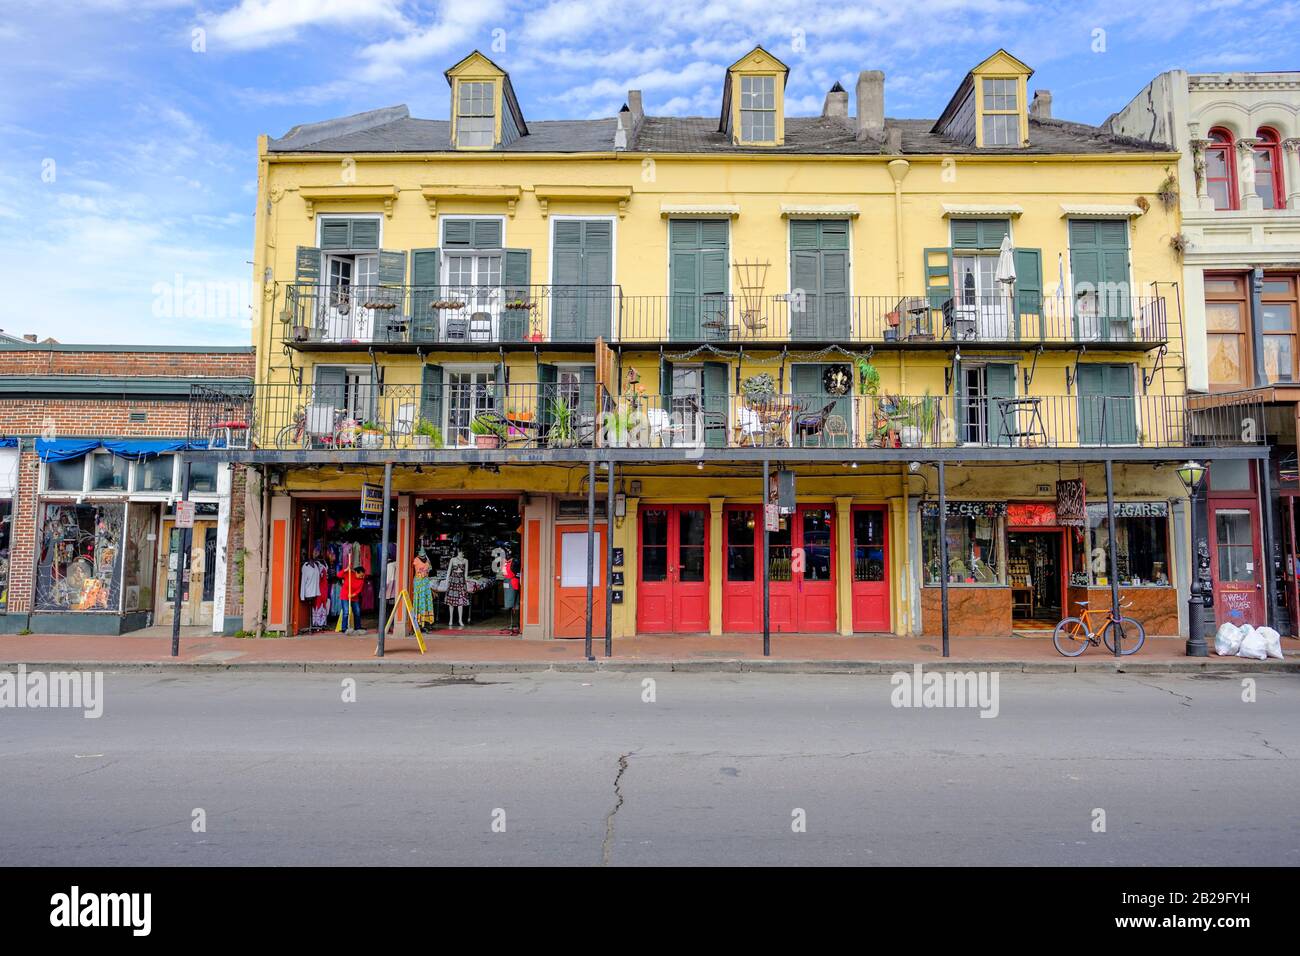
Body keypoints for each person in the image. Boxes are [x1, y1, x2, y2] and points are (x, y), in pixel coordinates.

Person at [337, 563, 367, 634]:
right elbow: (338, 575)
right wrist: (346, 570)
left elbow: (359, 590)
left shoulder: (361, 580)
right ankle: (344, 628)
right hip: (345, 596)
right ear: (356, 572)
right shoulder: (349, 574)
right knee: (346, 612)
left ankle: (358, 627)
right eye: (361, 575)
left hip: (354, 597)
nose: (362, 577)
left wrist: (352, 595)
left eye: (363, 575)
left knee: (357, 612)